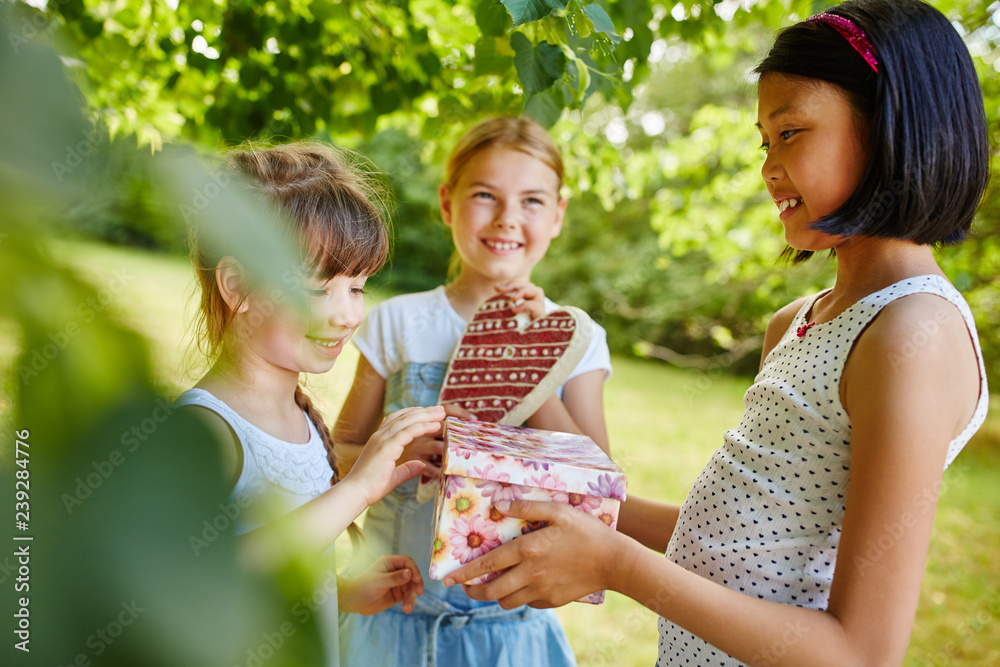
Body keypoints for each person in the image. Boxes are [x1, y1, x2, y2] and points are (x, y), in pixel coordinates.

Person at [443, 2, 991, 665]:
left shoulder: (913, 334)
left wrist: (616, 564)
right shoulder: (797, 322)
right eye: (764, 140)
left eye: (790, 132)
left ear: (889, 127)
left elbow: (861, 652)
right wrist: (577, 509)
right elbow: (733, 540)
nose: (768, 167)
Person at [334, 116, 613, 666]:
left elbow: (598, 483)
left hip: (509, 634)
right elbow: (335, 455)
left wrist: (538, 374)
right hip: (390, 623)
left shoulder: (578, 339)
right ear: (447, 203)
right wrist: (391, 457)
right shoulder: (398, 323)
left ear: (557, 216)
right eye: (485, 195)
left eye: (532, 201)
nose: (508, 218)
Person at [176, 143, 447, 666]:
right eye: (318, 289)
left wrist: (339, 589)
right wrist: (358, 490)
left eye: (358, 287)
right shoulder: (204, 426)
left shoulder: (297, 417)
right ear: (237, 286)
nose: (347, 314)